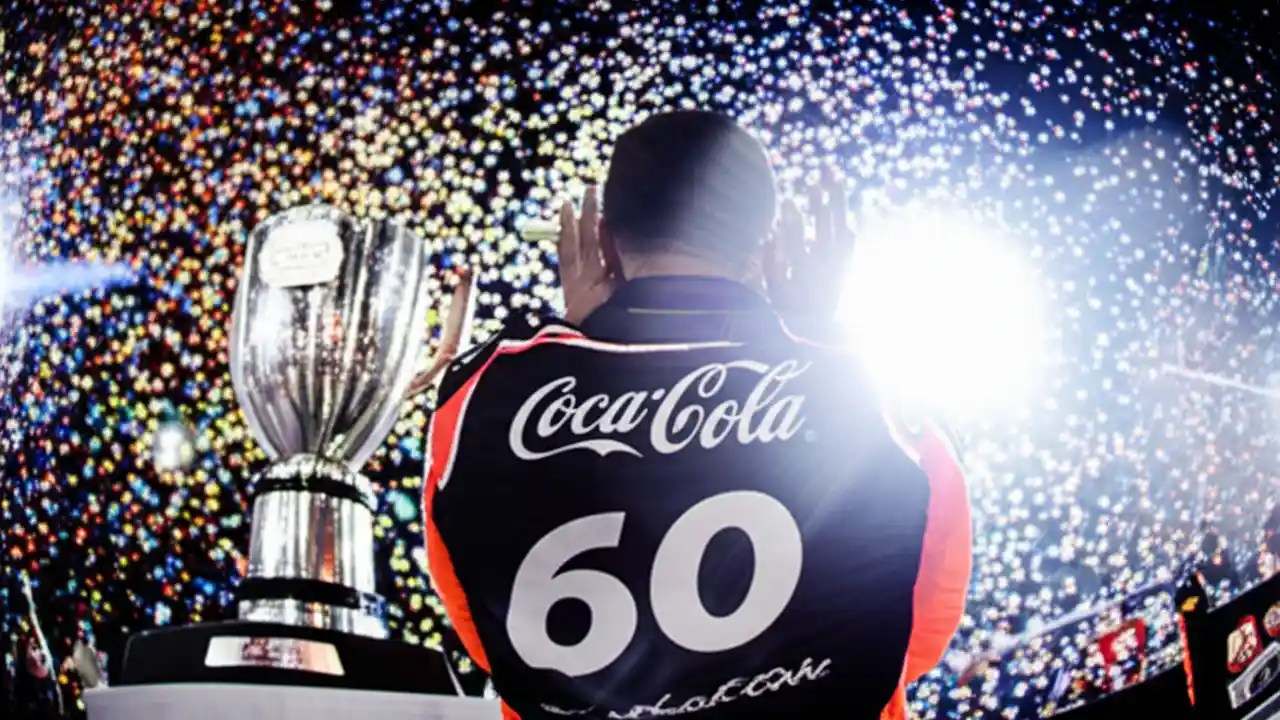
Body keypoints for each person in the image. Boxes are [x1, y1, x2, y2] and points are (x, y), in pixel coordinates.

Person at [421, 110, 971, 719]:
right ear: (768, 246)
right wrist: (818, 340)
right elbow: (915, 627)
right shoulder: (872, 395)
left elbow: (486, 633)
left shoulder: (483, 398)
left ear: (602, 239)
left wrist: (576, 347)